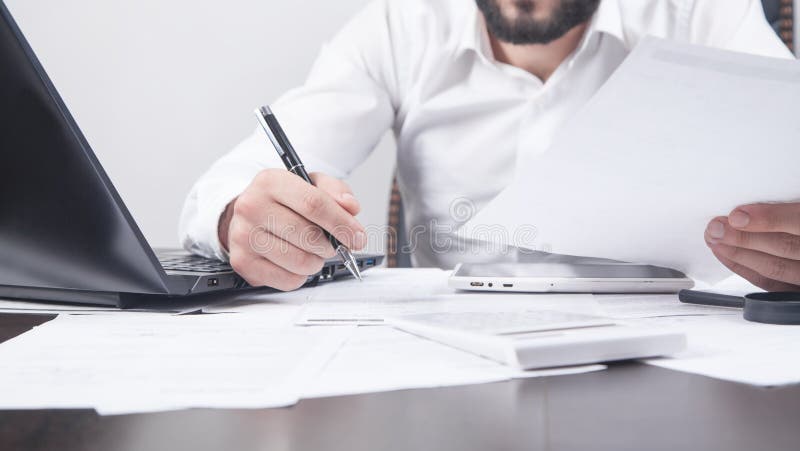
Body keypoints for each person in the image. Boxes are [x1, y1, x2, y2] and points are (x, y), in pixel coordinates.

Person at [179, 0, 798, 291]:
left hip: (672, 361)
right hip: (443, 370)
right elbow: (240, 174)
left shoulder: (700, 12)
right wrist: (241, 215)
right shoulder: (402, 24)